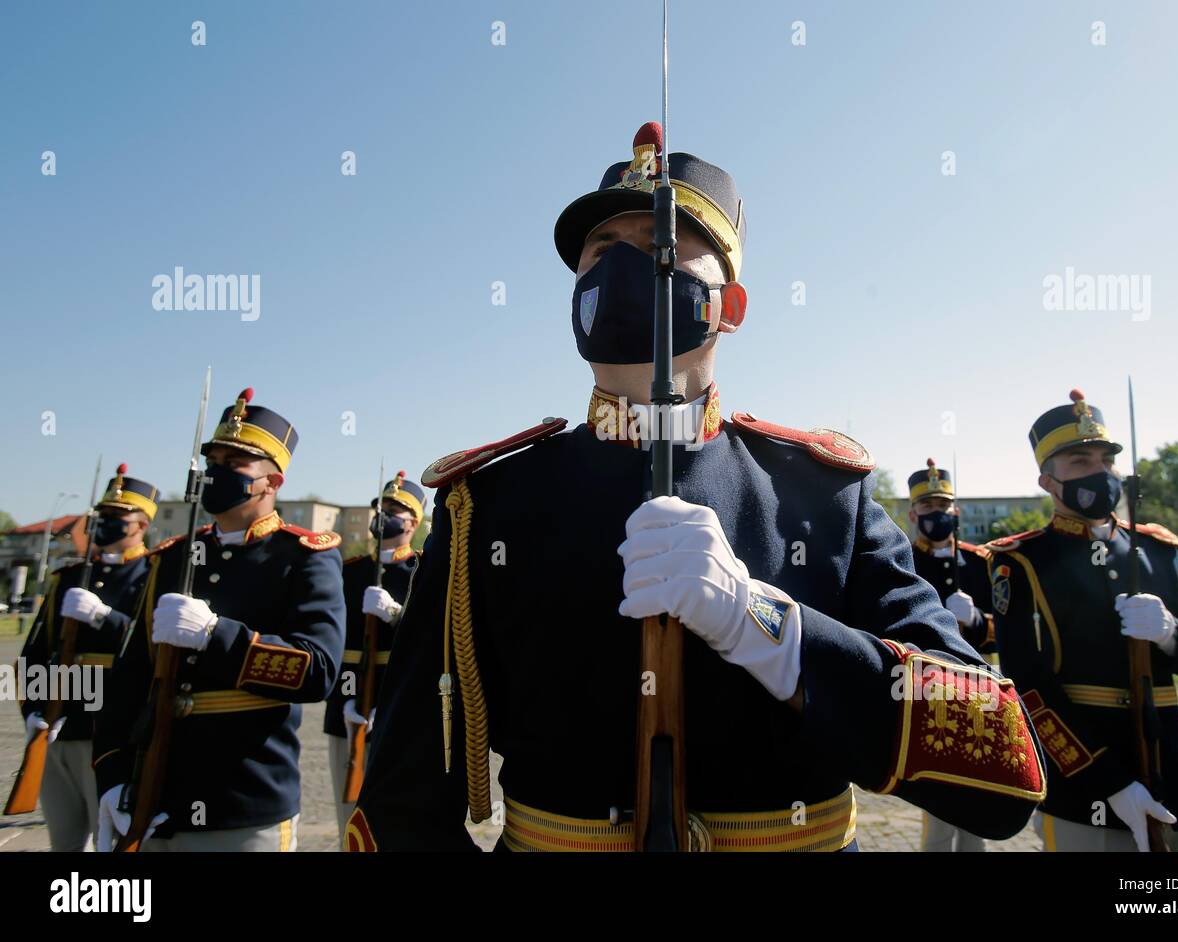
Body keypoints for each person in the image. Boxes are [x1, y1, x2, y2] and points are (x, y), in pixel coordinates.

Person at [346, 123, 1045, 852]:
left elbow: (1001, 769)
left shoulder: (825, 496)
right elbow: (401, 803)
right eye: (599, 255)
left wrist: (766, 627)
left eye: (657, 249)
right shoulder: (491, 502)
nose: (621, 273)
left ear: (731, 307)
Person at [93, 388, 345, 851]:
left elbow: (318, 671)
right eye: (214, 461)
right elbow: (129, 678)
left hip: (243, 799)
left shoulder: (303, 557)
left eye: (235, 464)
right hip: (154, 794)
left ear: (272, 482)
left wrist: (216, 635)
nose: (217, 472)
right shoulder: (170, 559)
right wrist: (110, 775)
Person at [989, 388, 1178, 851]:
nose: (1099, 473)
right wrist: (1109, 781)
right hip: (1086, 784)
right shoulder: (1023, 560)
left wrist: (1170, 634)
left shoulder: (1161, 551)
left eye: (1106, 460)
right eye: (1080, 462)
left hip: (1174, 779)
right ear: (1047, 481)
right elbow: (1027, 688)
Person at [17, 464, 157, 851]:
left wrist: (104, 617)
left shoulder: (154, 574)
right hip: (59, 724)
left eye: (117, 517)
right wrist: (33, 709)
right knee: (63, 839)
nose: (105, 523)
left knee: (110, 839)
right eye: (102, 516)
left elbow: (152, 649)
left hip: (111, 728)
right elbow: (36, 653)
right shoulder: (70, 577)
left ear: (141, 524)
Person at [324, 470, 423, 844]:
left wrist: (398, 617)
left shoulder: (421, 569)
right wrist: (343, 698)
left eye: (396, 509)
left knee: (394, 816)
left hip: (396, 706)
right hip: (347, 709)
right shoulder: (346, 572)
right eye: (382, 506)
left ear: (414, 521)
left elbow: (427, 643)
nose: (385, 514)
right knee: (347, 816)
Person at [906, 458, 996, 852]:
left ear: (955, 512)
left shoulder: (981, 563)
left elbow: (1006, 632)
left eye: (943, 507)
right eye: (928, 508)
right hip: (931, 689)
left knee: (981, 792)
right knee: (940, 802)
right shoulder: (904, 560)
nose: (937, 515)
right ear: (913, 514)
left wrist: (977, 620)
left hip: (980, 689)